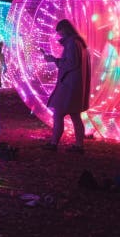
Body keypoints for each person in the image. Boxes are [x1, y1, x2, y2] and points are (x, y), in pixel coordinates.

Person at [41, 19, 91, 154]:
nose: (59, 35)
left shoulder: (72, 43)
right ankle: (79, 146)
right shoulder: (80, 43)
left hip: (69, 85)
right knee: (75, 116)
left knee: (58, 114)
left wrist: (54, 60)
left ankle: (53, 143)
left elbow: (71, 63)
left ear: (65, 29)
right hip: (76, 85)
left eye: (60, 31)